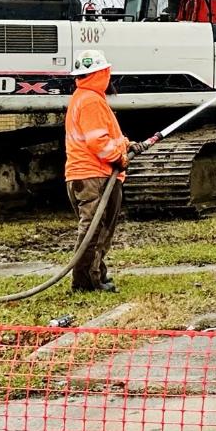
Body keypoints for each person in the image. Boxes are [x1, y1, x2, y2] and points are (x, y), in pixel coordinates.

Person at [64, 48, 133, 292]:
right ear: (103, 72)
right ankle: (85, 283)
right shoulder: (91, 100)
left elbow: (104, 136)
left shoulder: (84, 98)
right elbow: (98, 142)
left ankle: (97, 275)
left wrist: (124, 144)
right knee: (94, 231)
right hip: (94, 175)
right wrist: (119, 157)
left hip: (88, 174)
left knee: (99, 229)